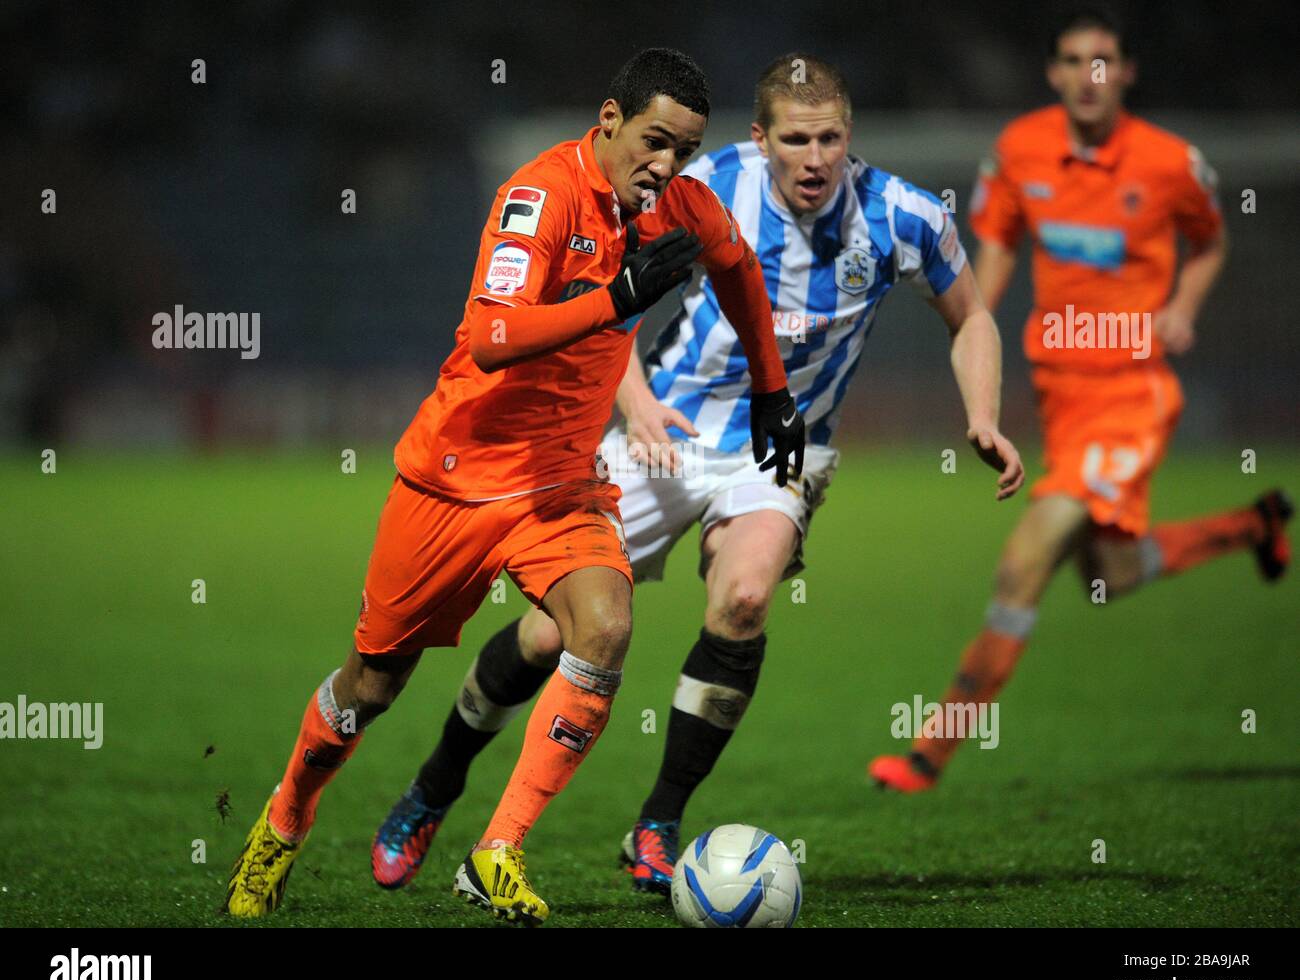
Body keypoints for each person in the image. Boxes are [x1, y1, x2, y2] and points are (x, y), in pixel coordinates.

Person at [371, 52, 1024, 898]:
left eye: (831, 137)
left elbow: (970, 316)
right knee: (547, 635)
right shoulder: (702, 180)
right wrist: (631, 399)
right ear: (761, 140)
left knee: (746, 598)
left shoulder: (906, 217)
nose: (816, 158)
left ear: (850, 136)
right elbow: (605, 291)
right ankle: (433, 788)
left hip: (780, 441)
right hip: (665, 428)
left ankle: (659, 821)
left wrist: (982, 416)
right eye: (796, 140)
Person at [224, 47, 804, 926]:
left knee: (605, 628)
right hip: (453, 484)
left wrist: (771, 388)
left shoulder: (678, 207)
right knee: (372, 688)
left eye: (684, 151)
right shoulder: (541, 196)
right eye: (653, 142)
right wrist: (613, 300)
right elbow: (490, 334)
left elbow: (739, 269)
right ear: (608, 120)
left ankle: (495, 851)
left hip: (558, 488)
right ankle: (283, 821)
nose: (667, 166)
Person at [870, 8, 1291, 793]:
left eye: (1103, 60)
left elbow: (1212, 241)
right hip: (1060, 396)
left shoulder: (1171, 164)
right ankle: (1251, 525)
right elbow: (990, 260)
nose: (1088, 75)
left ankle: (932, 748)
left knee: (1027, 558)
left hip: (1132, 396)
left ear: (1126, 72)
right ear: (1053, 73)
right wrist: (973, 329)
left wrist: (1182, 310)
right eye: (1072, 60)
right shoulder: (1020, 152)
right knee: (1113, 575)